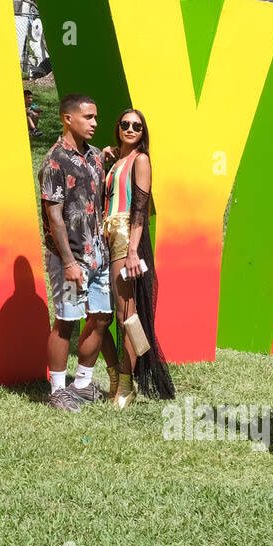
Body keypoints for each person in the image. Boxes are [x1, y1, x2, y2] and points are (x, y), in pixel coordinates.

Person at [38, 94, 112, 410]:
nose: (95, 123)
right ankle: (57, 390)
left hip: (99, 256)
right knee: (67, 319)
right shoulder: (54, 161)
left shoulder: (95, 155)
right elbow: (53, 216)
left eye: (95, 117)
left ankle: (81, 384)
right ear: (68, 118)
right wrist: (68, 262)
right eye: (88, 117)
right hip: (71, 258)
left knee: (101, 317)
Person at [100, 109, 175, 407]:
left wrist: (133, 251)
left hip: (123, 234)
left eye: (137, 126)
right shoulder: (118, 160)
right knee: (113, 314)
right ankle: (119, 378)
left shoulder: (140, 160)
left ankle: (127, 385)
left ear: (143, 133)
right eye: (125, 125)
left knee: (126, 314)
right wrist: (108, 155)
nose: (130, 129)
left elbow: (140, 210)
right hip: (107, 235)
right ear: (117, 128)